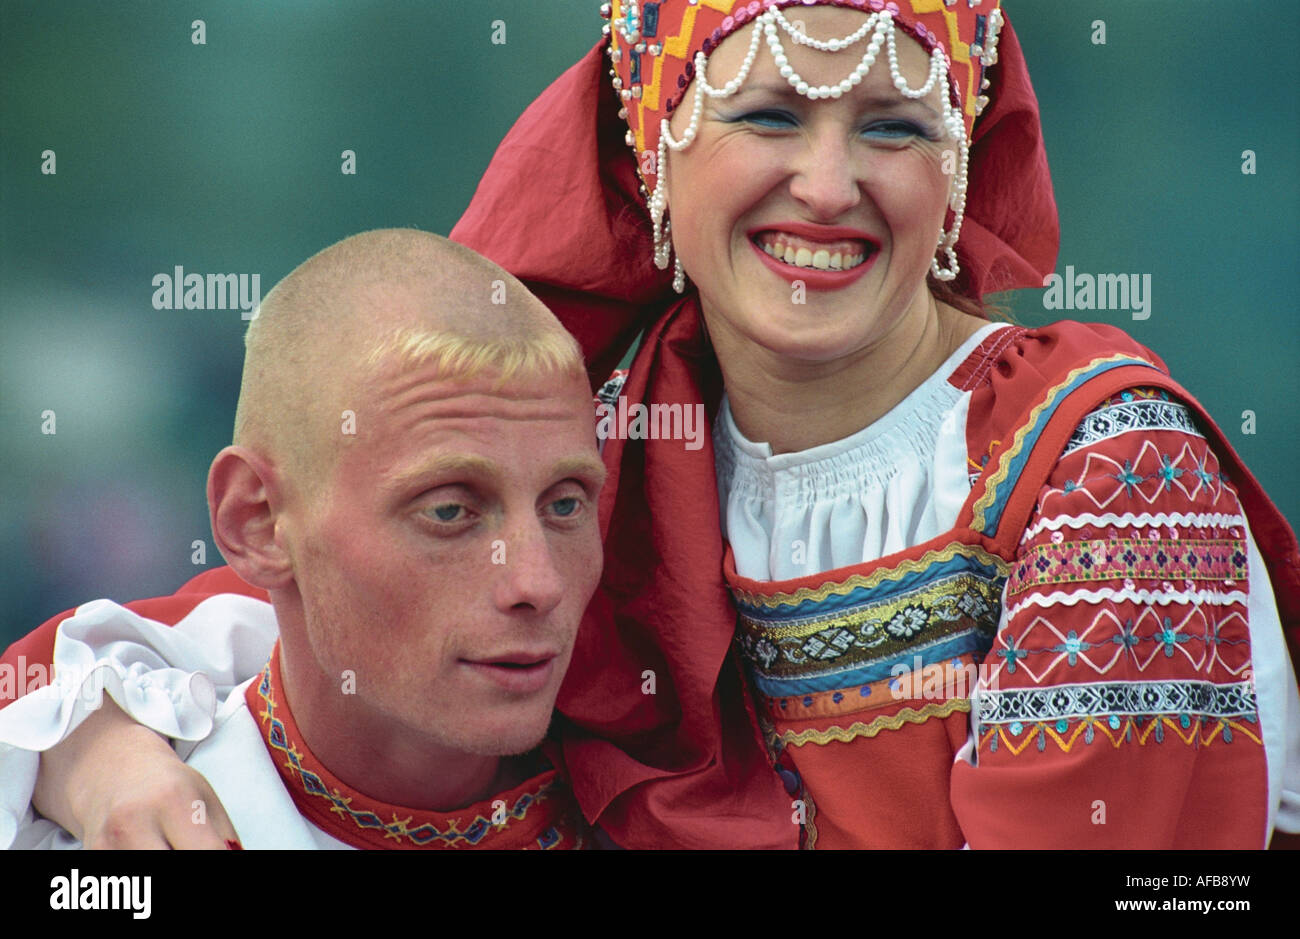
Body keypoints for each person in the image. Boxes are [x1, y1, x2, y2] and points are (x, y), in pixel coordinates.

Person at [6, 0, 1300, 849]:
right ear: (652, 145)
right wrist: (101, 757)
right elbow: (257, 614)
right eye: (769, 115)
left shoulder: (1102, 467)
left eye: (894, 128)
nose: (829, 184)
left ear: (958, 169)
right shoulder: (603, 446)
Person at [0, 229, 605, 849]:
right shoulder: (100, 839)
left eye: (565, 504)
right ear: (257, 523)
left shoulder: (655, 796)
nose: (538, 583)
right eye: (449, 511)